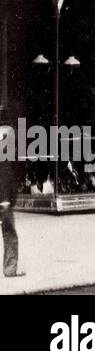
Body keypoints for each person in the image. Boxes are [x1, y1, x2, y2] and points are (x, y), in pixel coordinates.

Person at [0, 118, 20, 277]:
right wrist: (7, 198)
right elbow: (6, 177)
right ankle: (10, 269)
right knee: (10, 234)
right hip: (4, 200)